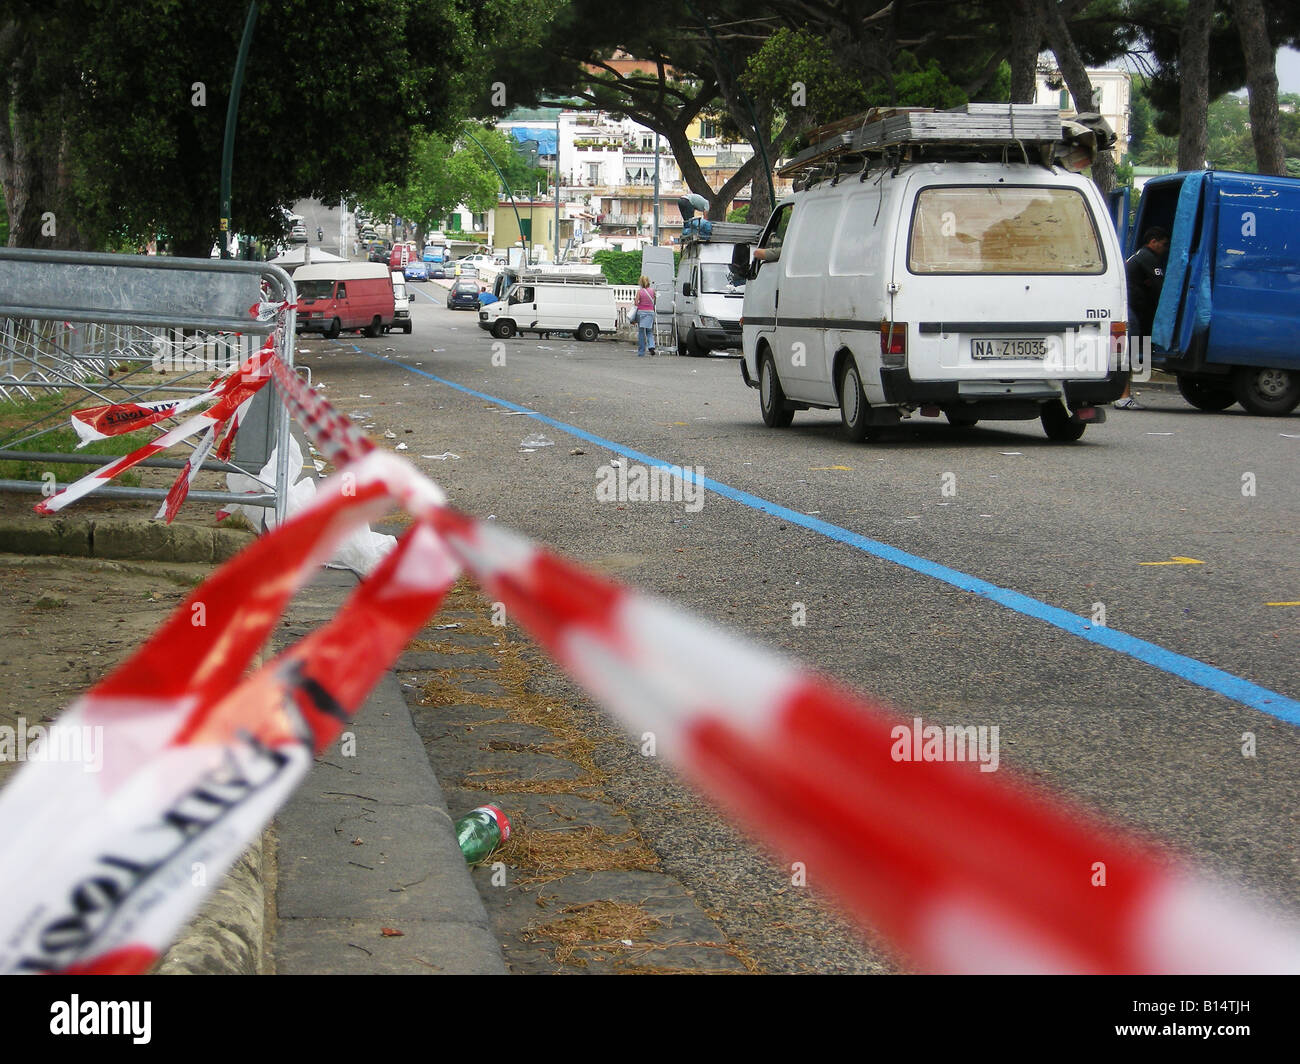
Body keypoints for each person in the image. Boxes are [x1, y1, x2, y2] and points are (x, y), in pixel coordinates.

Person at [1116, 226, 1170, 409]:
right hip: (1129, 310)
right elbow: (1160, 286)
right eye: (1163, 245)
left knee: (1127, 353)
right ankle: (1123, 397)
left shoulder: (1138, 255)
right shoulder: (1148, 257)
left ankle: (1120, 395)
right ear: (1152, 242)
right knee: (1128, 353)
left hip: (1127, 308)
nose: (1165, 249)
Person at [635, 275, 656, 356]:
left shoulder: (639, 292)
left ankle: (641, 351)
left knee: (641, 332)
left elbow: (636, 303)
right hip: (650, 312)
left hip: (642, 313)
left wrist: (640, 302)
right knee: (649, 331)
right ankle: (651, 346)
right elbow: (654, 301)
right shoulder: (652, 291)